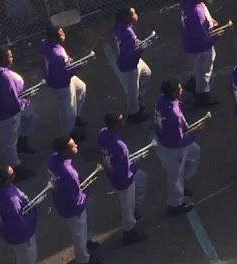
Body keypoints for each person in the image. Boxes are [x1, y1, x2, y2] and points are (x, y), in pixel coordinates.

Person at [0, 46, 36, 181]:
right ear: (2, 60)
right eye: (10, 56)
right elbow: (13, 104)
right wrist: (25, 100)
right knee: (9, 143)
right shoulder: (5, 78)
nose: (12, 58)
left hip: (2, 108)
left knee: (30, 115)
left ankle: (23, 142)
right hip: (7, 115)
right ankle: (16, 169)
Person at [97, 114, 149, 244]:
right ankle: (129, 233)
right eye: (120, 121)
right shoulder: (120, 147)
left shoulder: (102, 133)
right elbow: (124, 173)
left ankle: (133, 210)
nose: (123, 122)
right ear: (115, 125)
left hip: (116, 171)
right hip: (123, 181)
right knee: (127, 206)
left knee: (142, 178)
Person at [153, 79, 201, 215]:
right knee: (175, 175)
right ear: (174, 93)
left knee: (194, 153)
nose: (182, 90)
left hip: (164, 139)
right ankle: (174, 204)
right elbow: (178, 140)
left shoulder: (162, 100)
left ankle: (183, 183)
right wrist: (194, 135)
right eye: (179, 89)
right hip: (173, 147)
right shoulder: (173, 114)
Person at [48, 137, 98, 263]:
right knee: (79, 234)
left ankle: (88, 239)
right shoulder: (69, 173)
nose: (76, 145)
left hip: (62, 198)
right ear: (65, 152)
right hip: (72, 209)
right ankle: (83, 259)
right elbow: (77, 200)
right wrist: (88, 188)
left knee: (91, 208)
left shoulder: (53, 158)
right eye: (72, 146)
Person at [41, 26, 88, 140]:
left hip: (58, 78)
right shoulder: (57, 56)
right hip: (61, 84)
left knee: (81, 88)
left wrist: (69, 62)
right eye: (60, 33)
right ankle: (68, 135)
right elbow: (64, 73)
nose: (64, 35)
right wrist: (78, 66)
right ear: (53, 38)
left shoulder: (46, 44)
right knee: (68, 109)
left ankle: (74, 118)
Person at [0, 166, 38, 264]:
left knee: (21, 256)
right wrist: (33, 213)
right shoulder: (11, 200)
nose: (15, 175)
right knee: (29, 258)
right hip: (21, 235)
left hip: (8, 232)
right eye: (12, 174)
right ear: (6, 181)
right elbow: (19, 223)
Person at [180, 0, 221, 109]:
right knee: (204, 70)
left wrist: (211, 21)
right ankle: (202, 95)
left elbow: (204, 14)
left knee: (199, 66)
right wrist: (215, 36)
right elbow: (200, 37)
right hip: (200, 47)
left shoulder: (190, 2)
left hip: (192, 44)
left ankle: (193, 83)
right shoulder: (195, 12)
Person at [113, 7, 153, 124]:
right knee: (132, 90)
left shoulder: (122, 27)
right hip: (129, 64)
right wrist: (143, 46)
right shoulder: (127, 32)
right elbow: (129, 51)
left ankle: (137, 99)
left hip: (134, 61)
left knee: (146, 73)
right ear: (126, 17)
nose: (136, 15)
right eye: (133, 14)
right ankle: (133, 114)